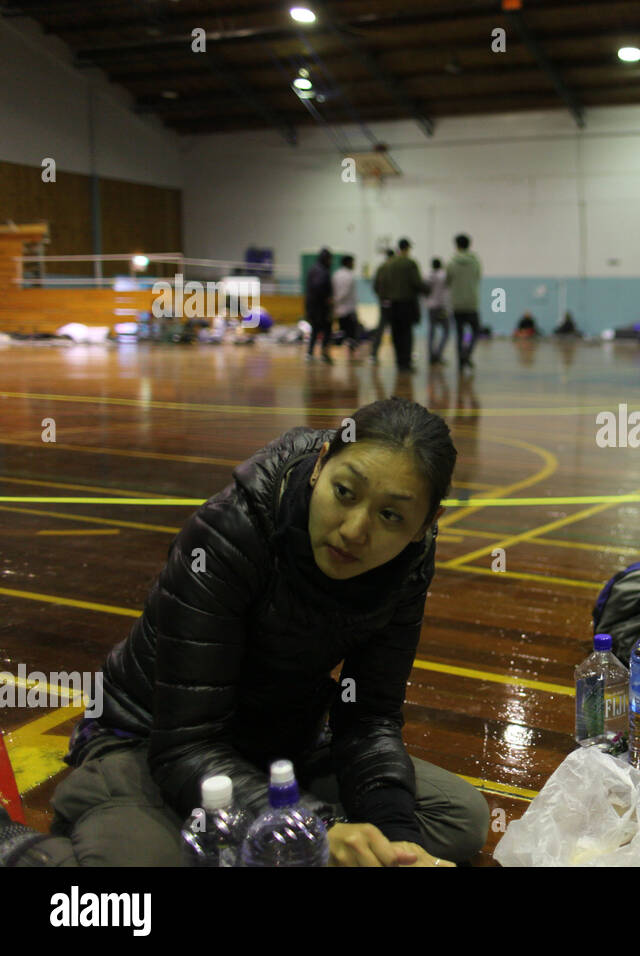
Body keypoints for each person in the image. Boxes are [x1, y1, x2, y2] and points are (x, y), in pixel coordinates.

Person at [20, 399, 490, 867]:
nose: (354, 530)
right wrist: (318, 830)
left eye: (391, 516)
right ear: (320, 465)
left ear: (425, 525)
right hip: (151, 744)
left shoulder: (407, 565)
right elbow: (186, 745)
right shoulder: (228, 532)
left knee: (457, 818)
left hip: (280, 745)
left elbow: (368, 719)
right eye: (345, 492)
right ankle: (37, 838)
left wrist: (397, 846)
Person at [385, 239, 430, 373]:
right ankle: (406, 363)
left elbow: (383, 283)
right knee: (407, 334)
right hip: (407, 303)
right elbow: (416, 282)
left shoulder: (390, 264)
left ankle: (399, 362)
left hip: (392, 304)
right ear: (408, 248)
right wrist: (428, 290)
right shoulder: (410, 263)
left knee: (396, 334)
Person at [446, 234, 483, 373]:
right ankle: (467, 354)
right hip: (472, 303)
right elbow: (478, 277)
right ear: (469, 245)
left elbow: (448, 281)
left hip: (457, 304)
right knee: (476, 330)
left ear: (456, 245)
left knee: (459, 334)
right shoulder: (475, 262)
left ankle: (461, 363)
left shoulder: (451, 262)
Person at [305, 247, 334, 364]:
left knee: (315, 330)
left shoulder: (312, 269)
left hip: (312, 306)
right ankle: (324, 353)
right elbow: (319, 288)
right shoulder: (322, 271)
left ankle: (310, 352)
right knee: (327, 329)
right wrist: (327, 299)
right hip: (320, 307)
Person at [333, 254, 361, 358]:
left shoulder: (336, 274)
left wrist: (335, 303)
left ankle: (349, 351)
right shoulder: (348, 276)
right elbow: (344, 293)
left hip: (340, 309)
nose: (354, 265)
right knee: (350, 333)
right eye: (352, 262)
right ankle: (351, 353)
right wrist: (337, 300)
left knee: (344, 331)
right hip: (348, 309)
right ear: (347, 263)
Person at [370, 248, 395, 365]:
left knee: (380, 328)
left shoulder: (381, 268)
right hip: (395, 303)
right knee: (397, 330)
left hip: (383, 302)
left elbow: (375, 286)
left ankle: (373, 354)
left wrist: (381, 296)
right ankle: (401, 355)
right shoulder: (396, 268)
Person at [425, 257, 451, 364]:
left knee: (432, 332)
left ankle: (432, 356)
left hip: (431, 307)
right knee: (446, 331)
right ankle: (438, 354)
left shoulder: (426, 276)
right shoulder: (444, 276)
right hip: (441, 307)